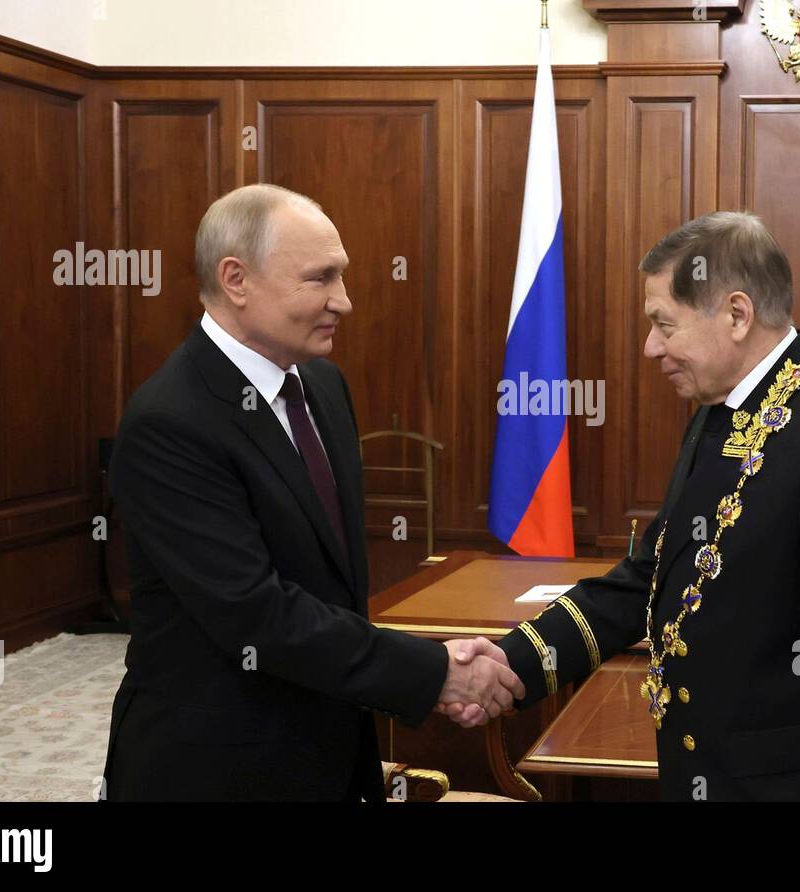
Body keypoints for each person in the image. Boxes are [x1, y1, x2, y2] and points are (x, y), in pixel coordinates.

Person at [444, 212, 800, 801]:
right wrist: (512, 661)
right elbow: (650, 578)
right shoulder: (714, 412)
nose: (650, 348)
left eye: (663, 324)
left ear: (736, 314)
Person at [103, 184, 520, 801]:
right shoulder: (170, 419)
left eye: (343, 277)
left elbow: (328, 590)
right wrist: (433, 675)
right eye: (320, 279)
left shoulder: (322, 386)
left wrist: (418, 667)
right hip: (219, 767)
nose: (344, 302)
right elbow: (257, 614)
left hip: (331, 744)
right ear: (236, 279)